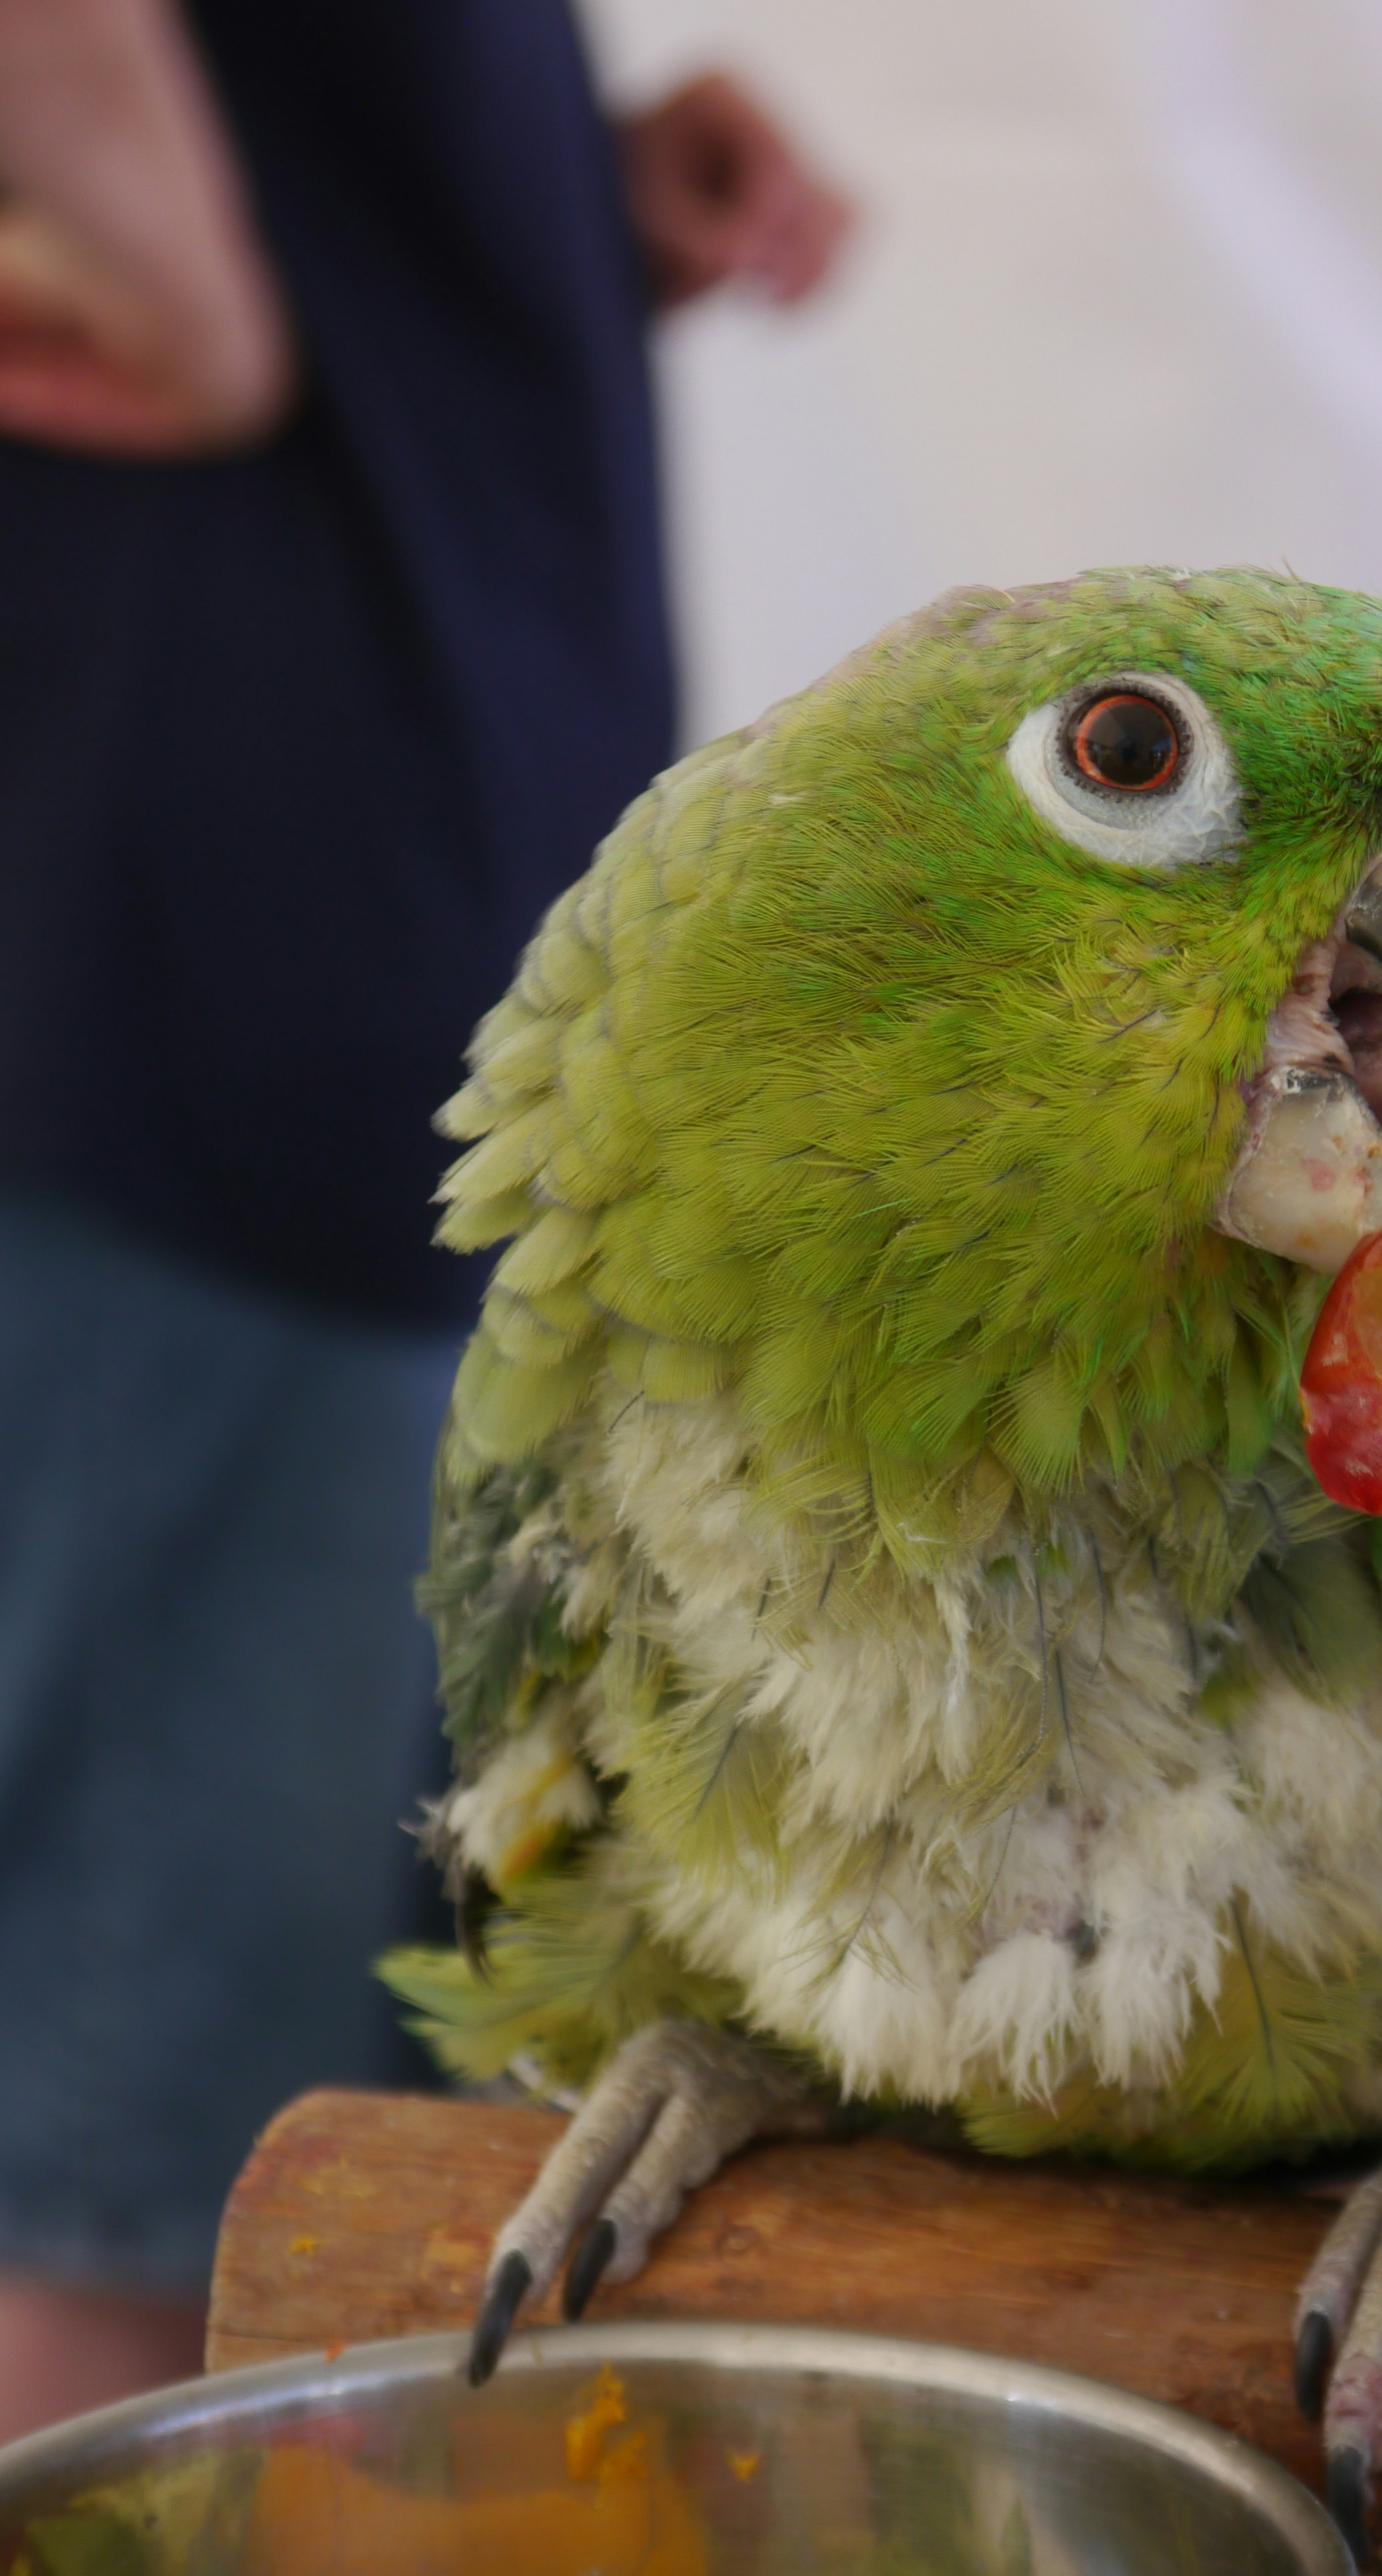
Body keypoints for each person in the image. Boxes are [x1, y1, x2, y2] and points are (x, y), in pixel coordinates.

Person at [0, 0, 850, 2438]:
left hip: (388, 1044)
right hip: (230, 1036)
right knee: (146, 2202)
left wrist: (519, 196)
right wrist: (162, 266)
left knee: (353, 2155)